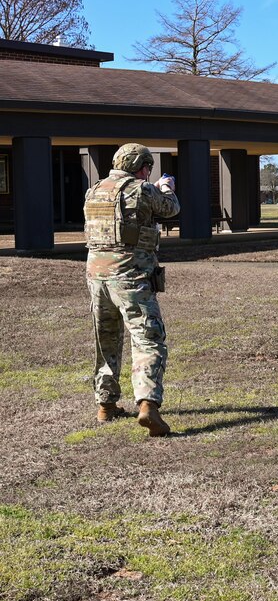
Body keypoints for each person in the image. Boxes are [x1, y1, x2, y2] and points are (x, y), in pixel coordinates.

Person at [84, 142, 180, 436]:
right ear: (142, 166)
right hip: (131, 278)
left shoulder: (94, 190)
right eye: (148, 168)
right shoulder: (144, 189)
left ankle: (106, 405)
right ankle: (149, 405)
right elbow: (171, 209)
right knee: (148, 338)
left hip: (97, 278)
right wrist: (165, 187)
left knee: (106, 340)